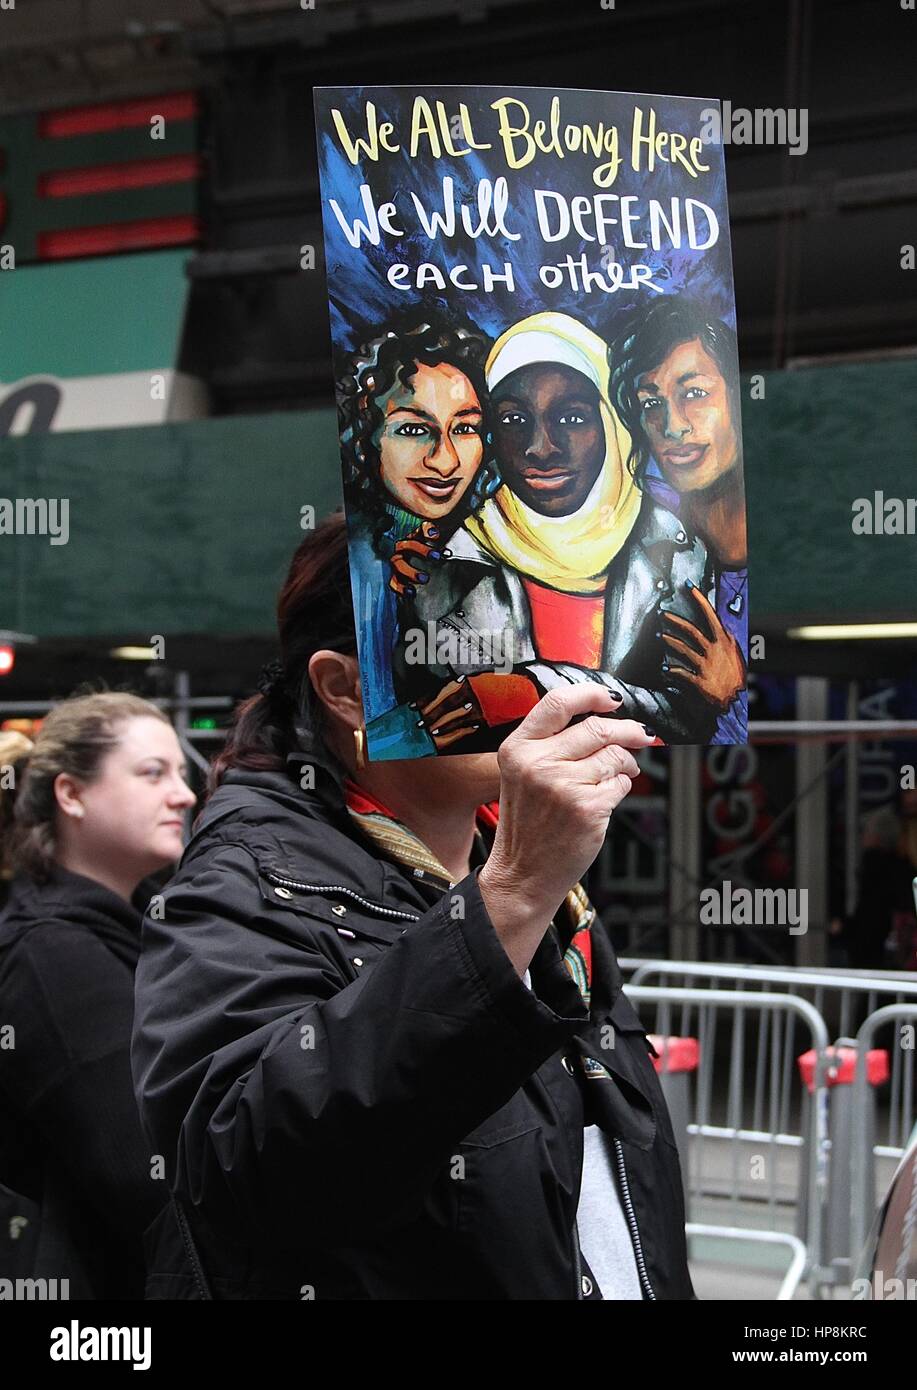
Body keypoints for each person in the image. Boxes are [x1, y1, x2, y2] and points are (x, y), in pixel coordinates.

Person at [131, 511, 696, 1301]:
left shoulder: (536, 874)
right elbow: (239, 1167)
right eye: (477, 649)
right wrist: (509, 897)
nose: (536, 684)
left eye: (536, 639)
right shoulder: (248, 873)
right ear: (347, 691)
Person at [389, 311, 718, 747]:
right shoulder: (446, 568)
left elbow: (690, 720)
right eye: (512, 419)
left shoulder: (676, 551)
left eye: (571, 418)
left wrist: (534, 690)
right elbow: (437, 733)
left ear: (612, 426)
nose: (540, 448)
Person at [0, 692, 196, 1298]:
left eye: (182, 774)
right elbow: (149, 1181)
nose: (184, 794)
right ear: (71, 795)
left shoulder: (136, 927)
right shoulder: (51, 955)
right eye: (152, 773)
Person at [337, 313, 496, 759]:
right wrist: (404, 734)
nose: (445, 461)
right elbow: (352, 739)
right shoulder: (356, 561)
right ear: (365, 436)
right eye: (413, 429)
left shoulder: (491, 544)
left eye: (465, 428)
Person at [610, 296, 748, 743]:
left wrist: (732, 696)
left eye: (694, 393)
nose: (672, 426)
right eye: (651, 403)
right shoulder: (640, 539)